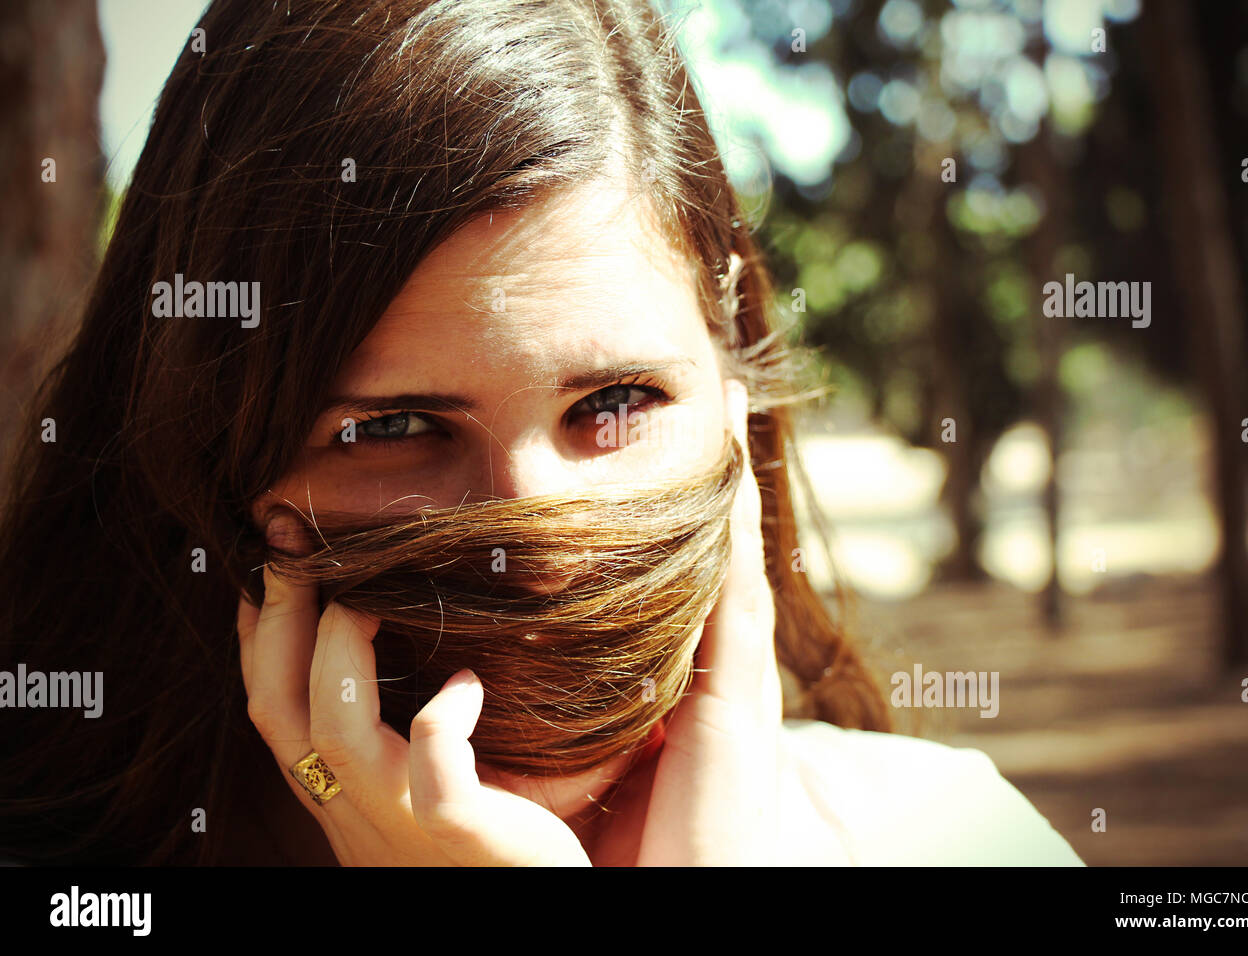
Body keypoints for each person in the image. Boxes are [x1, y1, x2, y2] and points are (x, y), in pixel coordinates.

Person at [0, 0, 1082, 866]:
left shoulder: (947, 833)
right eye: (391, 425)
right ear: (200, 451)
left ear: (731, 403)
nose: (542, 554)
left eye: (613, 403)